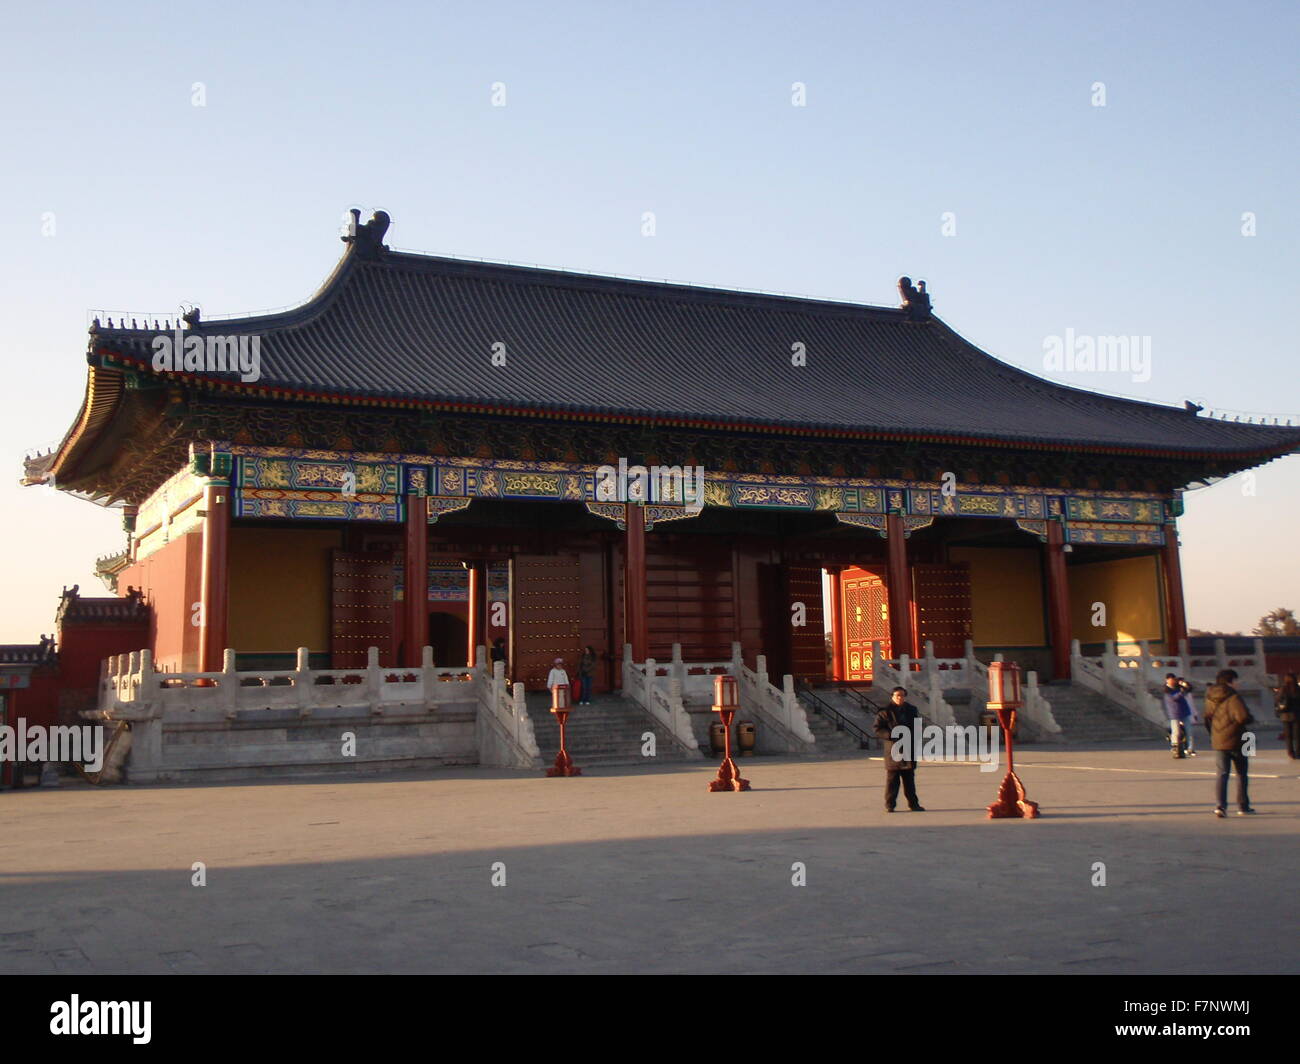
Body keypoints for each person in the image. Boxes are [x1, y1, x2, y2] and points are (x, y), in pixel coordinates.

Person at [1203, 668, 1255, 817]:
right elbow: (1242, 717)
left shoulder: (1209, 696)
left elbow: (1206, 718)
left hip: (1218, 739)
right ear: (1230, 681)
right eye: (1236, 681)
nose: (1238, 684)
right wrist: (1251, 718)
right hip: (1240, 738)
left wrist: (1213, 734)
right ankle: (1243, 805)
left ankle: (1220, 806)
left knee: (1222, 773)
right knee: (1242, 773)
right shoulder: (1234, 697)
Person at [873, 686, 925, 812]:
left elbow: (917, 727)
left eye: (902, 695)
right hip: (893, 750)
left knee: (909, 781)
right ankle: (890, 805)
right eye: (897, 695)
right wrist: (891, 735)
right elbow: (877, 729)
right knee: (892, 781)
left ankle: (913, 804)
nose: (900, 698)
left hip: (908, 748)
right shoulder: (885, 712)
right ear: (892, 696)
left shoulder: (911, 710)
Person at [1162, 673, 1191, 758]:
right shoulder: (1166, 690)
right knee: (1176, 731)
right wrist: (1181, 691)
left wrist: (1185, 685)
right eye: (1171, 679)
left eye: (1174, 679)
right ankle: (1175, 746)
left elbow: (1189, 690)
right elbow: (1174, 698)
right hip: (1174, 713)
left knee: (1189, 731)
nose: (1173, 681)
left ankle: (1188, 748)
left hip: (1184, 711)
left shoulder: (1177, 687)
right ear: (1167, 680)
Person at [1275, 673, 1300, 760]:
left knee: (1288, 735)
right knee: (1297, 735)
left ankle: (1290, 752)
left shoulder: (1283, 689)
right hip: (1297, 715)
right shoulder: (1297, 689)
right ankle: (1298, 752)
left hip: (1285, 715)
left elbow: (1278, 700)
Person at [1178, 677, 1198, 756]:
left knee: (1189, 733)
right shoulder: (1177, 693)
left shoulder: (1188, 694)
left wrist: (1195, 714)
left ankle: (1190, 748)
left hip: (1188, 715)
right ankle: (1181, 748)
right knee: (1180, 734)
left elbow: (1191, 705)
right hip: (1179, 715)